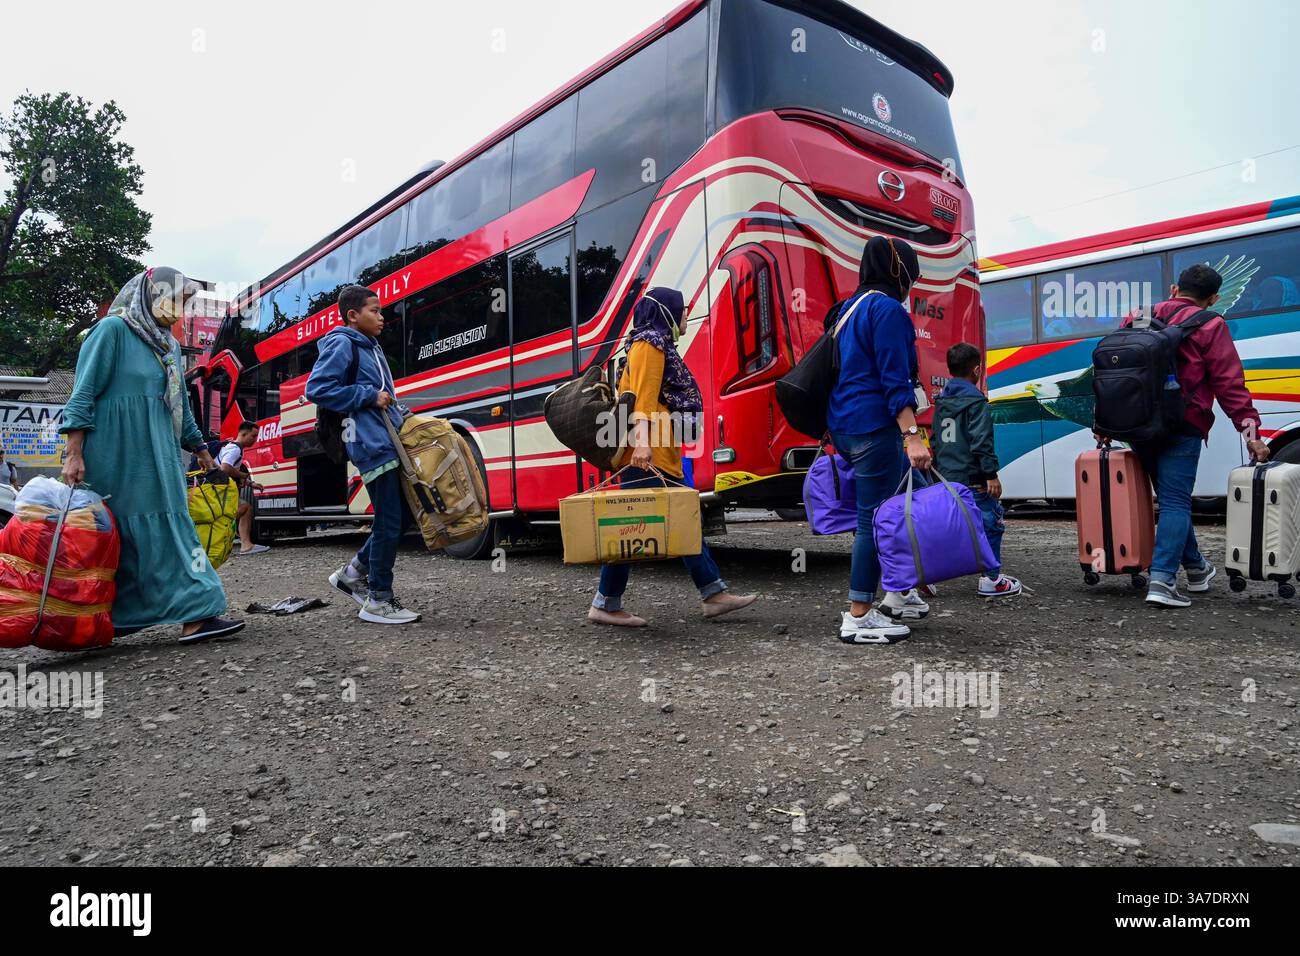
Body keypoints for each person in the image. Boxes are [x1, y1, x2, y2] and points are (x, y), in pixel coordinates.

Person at [59, 267, 245, 644]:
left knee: (175, 528)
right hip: (114, 451)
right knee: (117, 536)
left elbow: (180, 408)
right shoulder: (112, 331)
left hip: (160, 454)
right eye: (176, 300)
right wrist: (73, 453)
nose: (180, 309)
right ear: (152, 295)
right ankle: (101, 619)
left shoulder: (169, 346)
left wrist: (201, 449)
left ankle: (197, 612)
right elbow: (83, 393)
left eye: (186, 303)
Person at [588, 288, 757, 627]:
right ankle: (605, 604)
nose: (685, 316)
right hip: (647, 454)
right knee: (631, 529)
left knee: (681, 521)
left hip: (661, 454)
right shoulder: (649, 344)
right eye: (681, 310)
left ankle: (712, 594)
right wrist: (642, 444)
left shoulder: (651, 343)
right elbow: (643, 398)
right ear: (666, 312)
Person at [1117, 264, 1270, 608]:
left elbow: (1115, 369)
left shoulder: (1139, 316)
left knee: (1170, 498)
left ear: (1174, 288)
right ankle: (1162, 581)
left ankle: (1198, 570)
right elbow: (1229, 385)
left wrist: (1102, 423)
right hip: (1183, 423)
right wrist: (1251, 433)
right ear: (1213, 298)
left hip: (1137, 424)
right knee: (1175, 501)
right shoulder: (1211, 324)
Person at [827, 236, 933, 646]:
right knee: (872, 520)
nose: (911, 283)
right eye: (911, 274)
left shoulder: (847, 309)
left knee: (908, 501)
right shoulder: (887, 310)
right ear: (897, 270)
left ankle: (898, 593)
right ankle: (859, 615)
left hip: (846, 426)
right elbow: (895, 379)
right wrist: (912, 436)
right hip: (874, 427)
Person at [307, 285, 421, 626]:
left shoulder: (371, 347)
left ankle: (353, 573)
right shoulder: (343, 343)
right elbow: (317, 388)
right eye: (375, 310)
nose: (382, 317)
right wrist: (369, 396)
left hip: (385, 441)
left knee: (403, 517)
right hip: (370, 445)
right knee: (389, 521)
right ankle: (378, 600)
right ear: (353, 315)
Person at [932, 343, 1023, 598]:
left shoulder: (941, 401)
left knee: (946, 527)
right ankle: (991, 580)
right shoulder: (975, 401)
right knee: (991, 524)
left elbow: (936, 441)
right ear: (976, 370)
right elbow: (981, 441)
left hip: (946, 478)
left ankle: (923, 577)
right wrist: (990, 474)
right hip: (973, 479)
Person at [217, 421, 269, 556]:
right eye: (253, 436)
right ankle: (245, 545)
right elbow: (225, 468)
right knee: (244, 509)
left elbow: (231, 471)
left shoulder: (233, 447)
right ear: (244, 434)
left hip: (217, 489)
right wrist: (242, 475)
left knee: (244, 508)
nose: (255, 440)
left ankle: (245, 544)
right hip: (217, 490)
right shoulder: (235, 449)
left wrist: (250, 483)